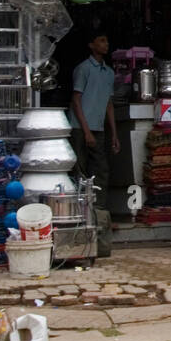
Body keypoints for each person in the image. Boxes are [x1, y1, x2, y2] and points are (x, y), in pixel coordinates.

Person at [70, 29, 120, 210]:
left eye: (106, 41)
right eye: (101, 41)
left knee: (100, 170)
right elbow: (76, 100)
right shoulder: (83, 69)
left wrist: (114, 134)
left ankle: (97, 209)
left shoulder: (108, 72)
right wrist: (86, 131)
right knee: (80, 170)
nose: (105, 44)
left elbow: (108, 104)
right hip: (79, 128)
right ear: (91, 45)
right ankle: (79, 211)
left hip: (98, 128)